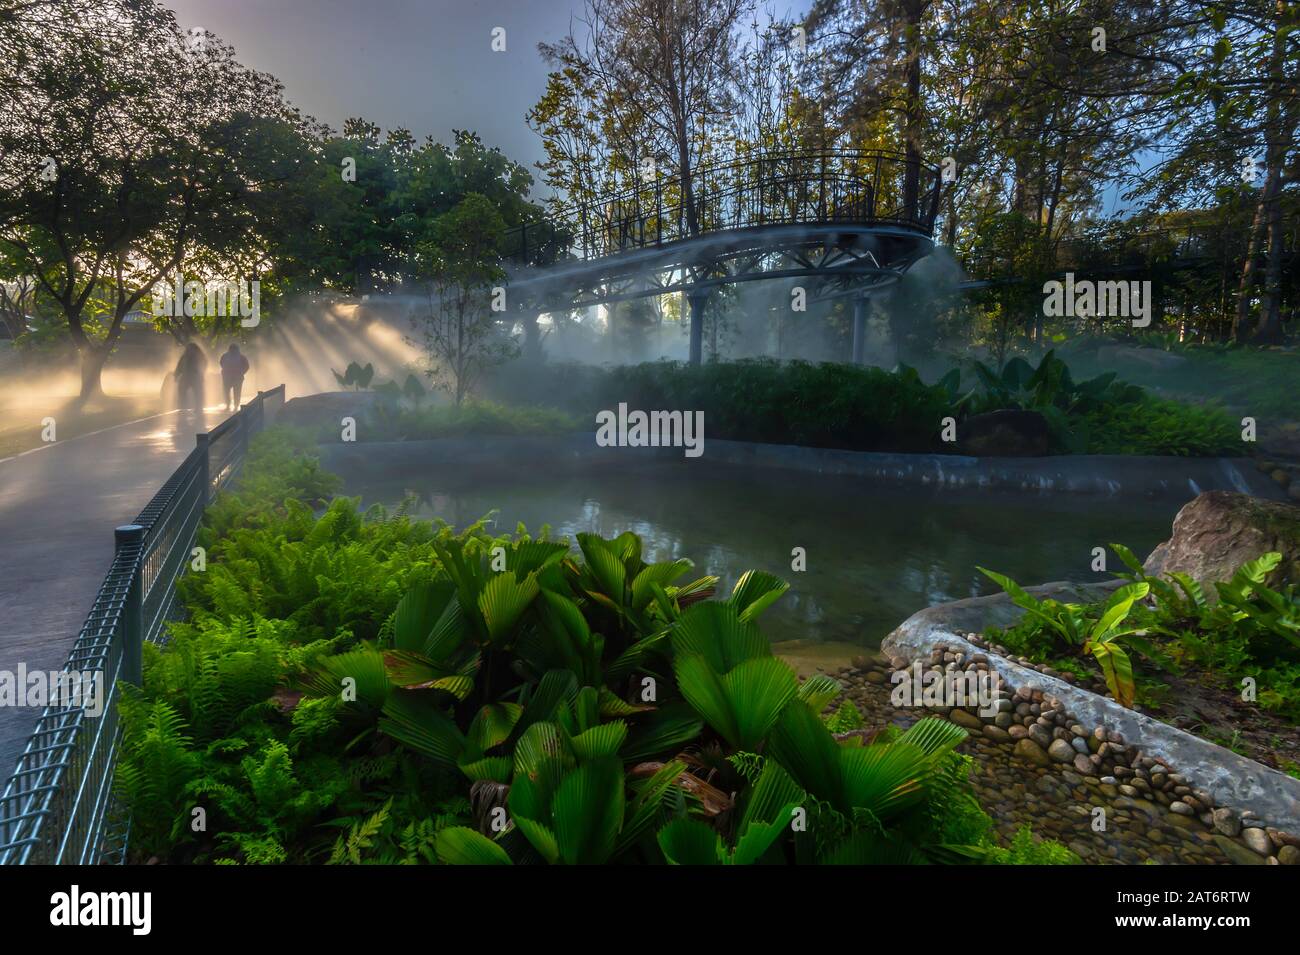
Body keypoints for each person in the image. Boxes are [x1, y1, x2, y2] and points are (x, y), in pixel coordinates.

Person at [174, 343, 207, 410]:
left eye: (190, 348)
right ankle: (183, 406)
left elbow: (204, 364)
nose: (189, 350)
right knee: (182, 391)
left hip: (195, 377)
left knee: (198, 392)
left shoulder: (199, 356)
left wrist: (201, 373)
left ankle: (198, 407)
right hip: (186, 376)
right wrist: (176, 375)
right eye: (188, 348)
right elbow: (179, 366)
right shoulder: (184, 356)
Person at [219, 343, 250, 411]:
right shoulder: (240, 357)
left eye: (234, 349)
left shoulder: (226, 356)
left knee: (231, 392)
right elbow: (247, 366)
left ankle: (233, 405)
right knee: (232, 392)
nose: (233, 350)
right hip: (233, 377)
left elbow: (221, 363)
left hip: (233, 377)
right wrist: (242, 372)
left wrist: (242, 372)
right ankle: (230, 405)